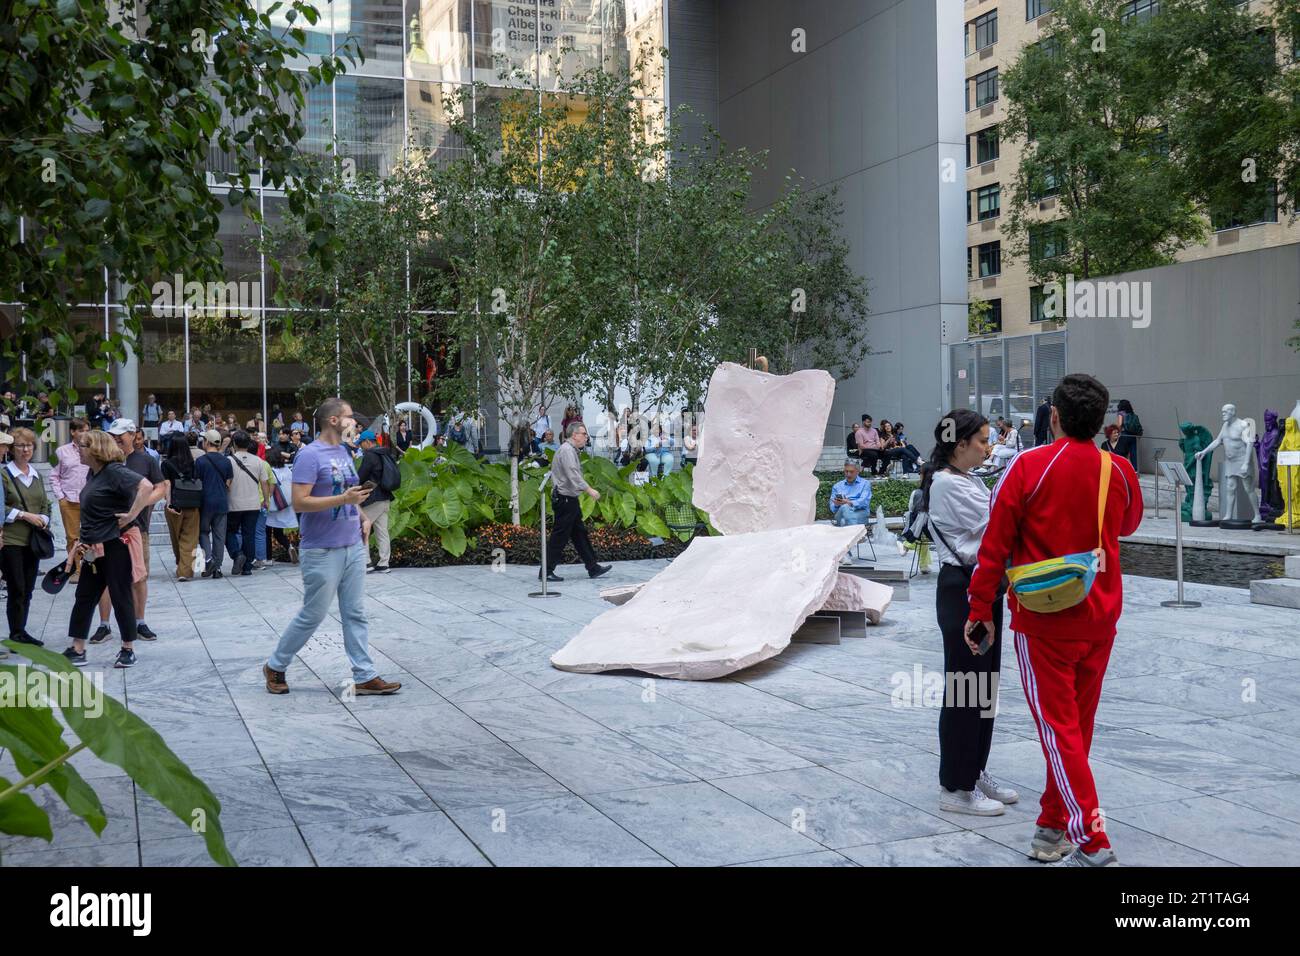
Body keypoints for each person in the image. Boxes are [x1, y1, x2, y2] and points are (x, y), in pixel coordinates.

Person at [966, 374, 1143, 866]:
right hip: (1100, 617)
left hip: (1043, 619)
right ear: (1103, 420)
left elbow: (995, 544)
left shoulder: (1029, 466)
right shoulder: (1119, 470)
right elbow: (1128, 525)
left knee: (1059, 729)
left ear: (1056, 416)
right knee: (1075, 730)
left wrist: (980, 608)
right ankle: (1049, 828)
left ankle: (1091, 838)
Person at [263, 398, 401, 697]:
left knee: (355, 612)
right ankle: (276, 665)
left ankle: (365, 675)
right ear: (335, 421)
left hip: (351, 544)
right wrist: (345, 501)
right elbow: (300, 502)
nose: (355, 421)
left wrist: (362, 517)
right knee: (313, 614)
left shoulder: (343, 452)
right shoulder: (309, 456)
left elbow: (346, 492)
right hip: (321, 549)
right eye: (350, 416)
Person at [922, 408, 1017, 818]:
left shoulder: (968, 478)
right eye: (981, 440)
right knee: (965, 688)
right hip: (962, 590)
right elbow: (999, 524)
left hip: (984, 588)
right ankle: (955, 787)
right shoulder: (946, 484)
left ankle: (974, 769)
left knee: (984, 688)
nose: (987, 447)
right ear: (959, 444)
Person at [61, 431, 156, 668]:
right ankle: (77, 647)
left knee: (120, 594)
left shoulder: (114, 471)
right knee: (84, 596)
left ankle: (128, 648)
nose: (78, 449)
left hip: (115, 544)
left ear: (95, 449)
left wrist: (132, 514)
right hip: (95, 545)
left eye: (81, 445)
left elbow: (146, 486)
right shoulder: (93, 474)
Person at [96, 419, 166, 645]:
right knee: (104, 578)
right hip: (106, 530)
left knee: (139, 577)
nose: (116, 438)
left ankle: (140, 622)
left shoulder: (145, 460)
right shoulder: (103, 461)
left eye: (121, 434)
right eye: (113, 434)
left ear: (133, 434)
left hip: (138, 528)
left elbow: (161, 487)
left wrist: (140, 505)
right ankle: (104, 624)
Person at [541, 422, 611, 583]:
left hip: (569, 499)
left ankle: (593, 567)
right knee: (559, 537)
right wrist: (589, 490)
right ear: (574, 435)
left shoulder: (571, 450)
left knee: (579, 535)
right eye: (584, 434)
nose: (586, 437)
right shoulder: (566, 451)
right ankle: (546, 571)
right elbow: (573, 475)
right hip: (565, 499)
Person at [2, 428, 53, 645]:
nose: (25, 450)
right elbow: (1, 508)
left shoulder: (36, 475)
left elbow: (46, 504)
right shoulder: (4, 474)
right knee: (17, 587)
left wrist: (43, 518)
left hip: (33, 540)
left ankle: (21, 630)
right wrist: (25, 515)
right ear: (12, 449)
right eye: (20, 446)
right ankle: (16, 633)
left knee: (29, 588)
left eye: (29, 445)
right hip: (11, 539)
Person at [49, 418, 91, 582]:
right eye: (81, 430)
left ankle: (90, 569)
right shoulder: (61, 451)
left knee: (90, 535)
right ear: (73, 432)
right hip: (69, 500)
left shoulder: (92, 450)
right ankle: (77, 569)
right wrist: (61, 497)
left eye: (87, 430)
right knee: (72, 537)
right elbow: (54, 476)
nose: (84, 434)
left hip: (89, 500)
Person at [224, 430, 270, 577]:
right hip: (253, 504)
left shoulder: (229, 460)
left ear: (234, 443)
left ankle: (237, 555)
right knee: (249, 534)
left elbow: (227, 483)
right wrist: (267, 501)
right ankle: (247, 567)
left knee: (229, 531)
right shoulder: (258, 461)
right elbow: (264, 483)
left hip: (234, 504)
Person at [356, 429, 398, 573]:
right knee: (382, 531)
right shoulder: (385, 453)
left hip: (373, 498)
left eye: (361, 443)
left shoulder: (370, 455)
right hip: (386, 497)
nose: (361, 446)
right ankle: (384, 563)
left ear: (367, 442)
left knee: (362, 527)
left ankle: (366, 563)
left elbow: (361, 476)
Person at [161, 435, 202, 582]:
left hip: (175, 505)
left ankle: (181, 566)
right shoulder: (193, 463)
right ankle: (185, 570)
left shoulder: (166, 464)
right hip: (192, 504)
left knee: (176, 537)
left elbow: (167, 484)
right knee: (189, 538)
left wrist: (169, 503)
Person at [195, 430, 233, 579]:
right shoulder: (226, 461)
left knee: (203, 532)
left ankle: (209, 560)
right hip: (222, 501)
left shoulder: (201, 461)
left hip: (205, 502)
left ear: (207, 442)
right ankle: (217, 568)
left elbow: (197, 482)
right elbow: (229, 483)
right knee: (219, 536)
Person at [265, 446, 298, 564]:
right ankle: (289, 547)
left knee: (267, 531)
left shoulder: (268, 470)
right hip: (286, 504)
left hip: (273, 505)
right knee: (279, 531)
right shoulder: (287, 470)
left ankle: (268, 558)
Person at [829, 460, 872, 526]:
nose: (848, 474)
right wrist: (837, 504)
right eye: (846, 471)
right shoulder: (837, 486)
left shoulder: (865, 484)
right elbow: (833, 508)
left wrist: (849, 503)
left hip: (860, 512)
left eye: (851, 472)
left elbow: (864, 502)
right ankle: (856, 533)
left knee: (846, 515)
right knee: (844, 508)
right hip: (841, 512)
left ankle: (850, 531)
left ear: (857, 471)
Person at [1113, 399, 1142, 471]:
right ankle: (1136, 470)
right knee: (1134, 453)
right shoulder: (1133, 414)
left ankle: (1122, 469)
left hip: (1125, 435)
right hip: (1134, 436)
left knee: (1121, 453)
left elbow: (1119, 425)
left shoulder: (1121, 413)